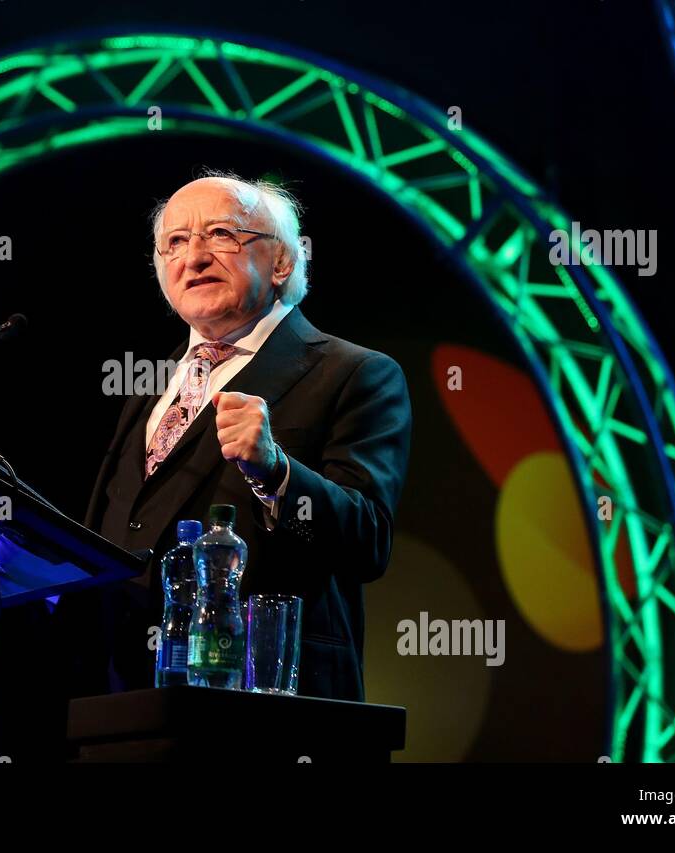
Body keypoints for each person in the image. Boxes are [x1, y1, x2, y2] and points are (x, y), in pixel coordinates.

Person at [54, 171, 413, 703]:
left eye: (220, 235)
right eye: (174, 242)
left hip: (262, 701)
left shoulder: (353, 373)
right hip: (123, 700)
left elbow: (368, 541)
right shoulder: (150, 387)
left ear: (282, 262)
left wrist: (276, 470)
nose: (192, 258)